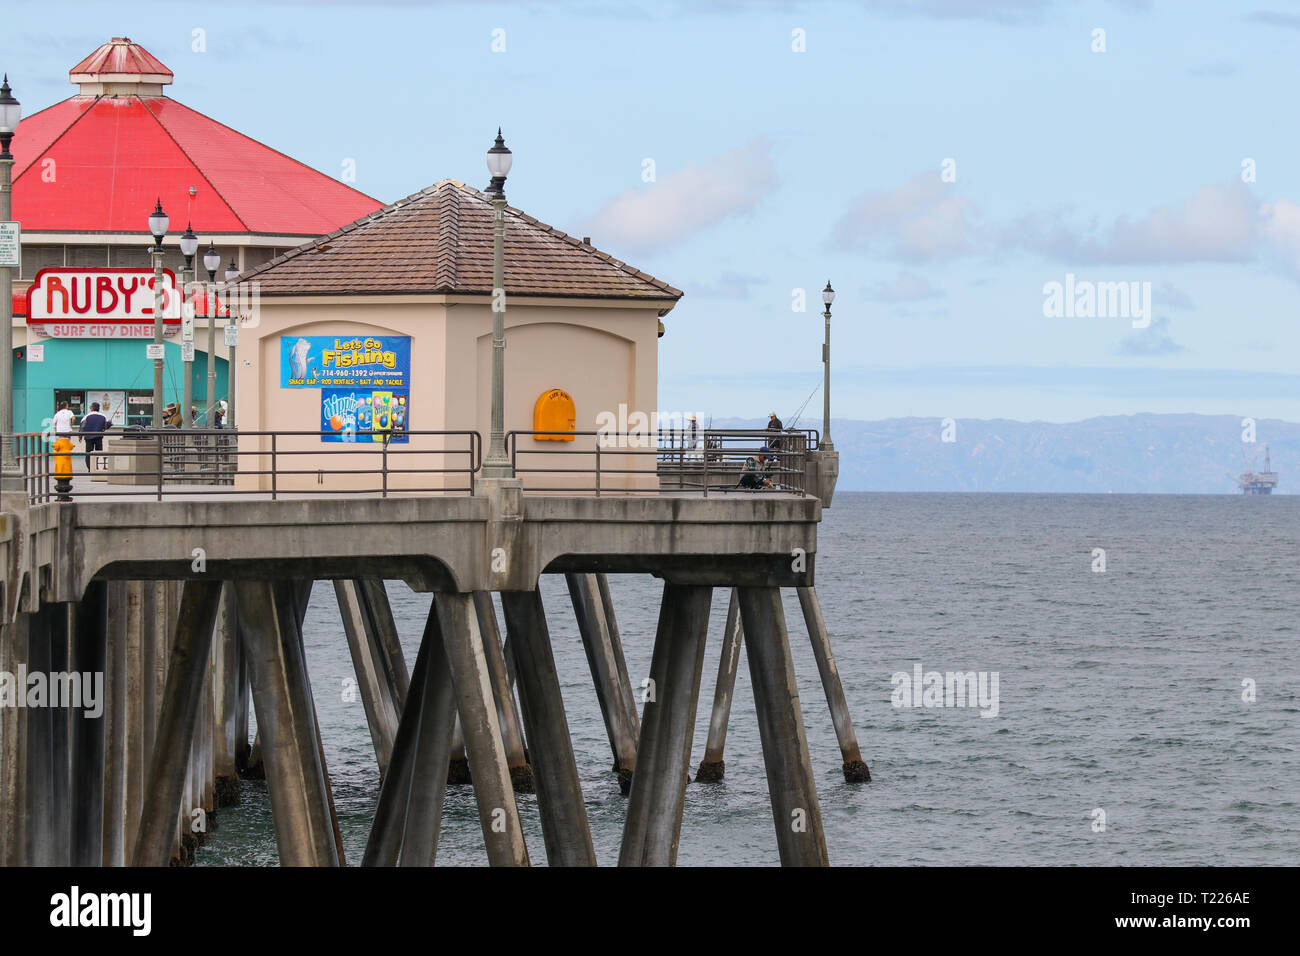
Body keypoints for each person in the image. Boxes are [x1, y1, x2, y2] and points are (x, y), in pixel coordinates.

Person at [79, 402, 110, 472]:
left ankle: (90, 468)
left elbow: (82, 426)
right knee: (98, 452)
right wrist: (109, 423)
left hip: (88, 437)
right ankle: (98, 467)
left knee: (88, 453)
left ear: (92, 408)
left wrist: (80, 436)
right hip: (98, 437)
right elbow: (104, 427)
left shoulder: (87, 416)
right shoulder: (103, 416)